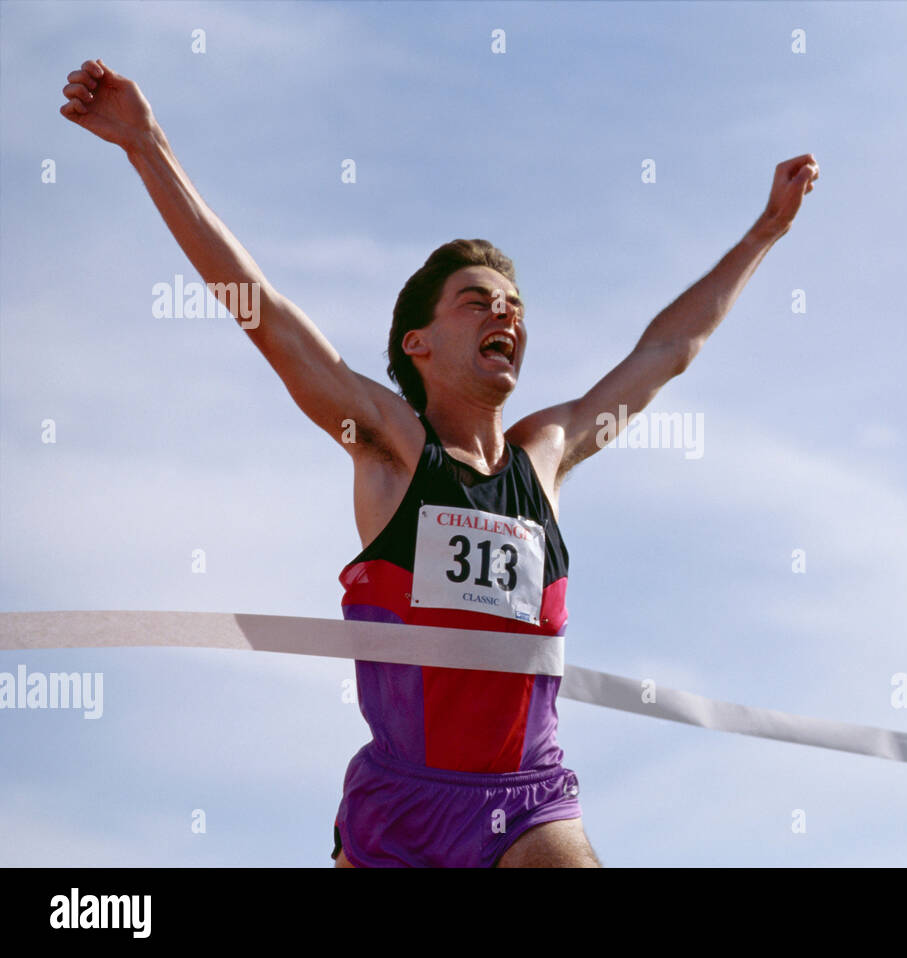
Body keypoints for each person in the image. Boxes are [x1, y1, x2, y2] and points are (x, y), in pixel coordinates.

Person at [60, 58, 818, 867]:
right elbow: (266, 319)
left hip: (528, 798)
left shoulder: (547, 456)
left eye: (514, 306)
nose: (505, 312)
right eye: (476, 300)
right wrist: (148, 146)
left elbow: (668, 350)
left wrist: (764, 232)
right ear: (416, 345)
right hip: (400, 802)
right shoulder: (390, 445)